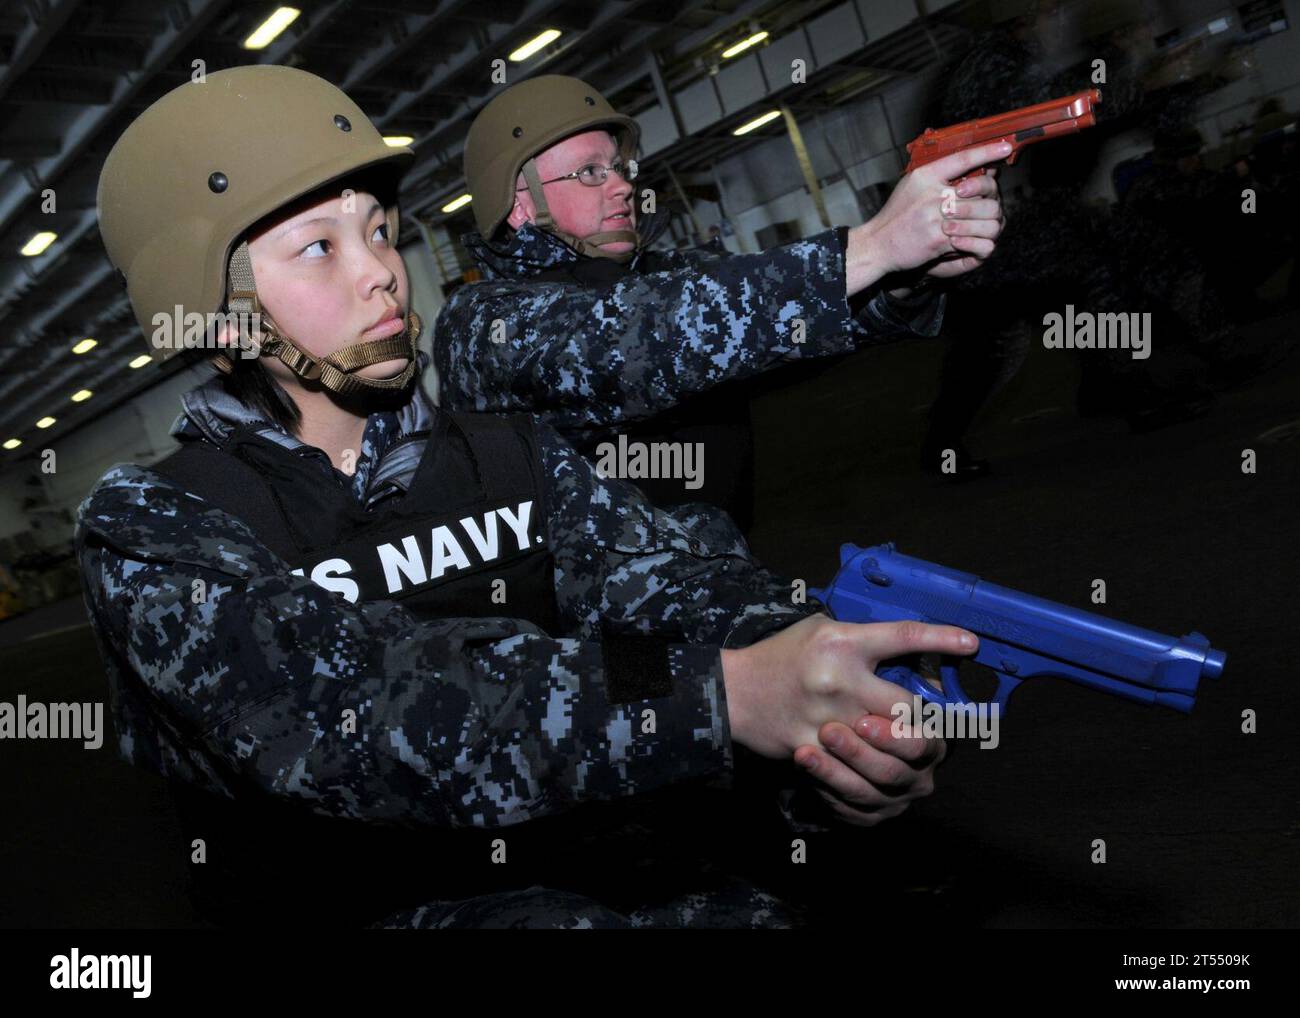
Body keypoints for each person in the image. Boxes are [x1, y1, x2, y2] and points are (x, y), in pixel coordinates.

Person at [78, 64, 980, 929]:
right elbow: (363, 711)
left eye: (380, 230)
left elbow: (664, 591)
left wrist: (813, 684)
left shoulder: (504, 456)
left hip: (592, 862)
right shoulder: (156, 528)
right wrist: (722, 693)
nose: (382, 271)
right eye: (319, 246)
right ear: (216, 310)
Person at [434, 75, 1008, 529]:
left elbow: (786, 330)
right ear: (519, 205)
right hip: (594, 656)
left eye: (619, 167)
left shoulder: (667, 276)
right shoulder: (483, 323)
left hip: (716, 593)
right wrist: (877, 245)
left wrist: (906, 275)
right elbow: (636, 338)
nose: (623, 185)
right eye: (589, 172)